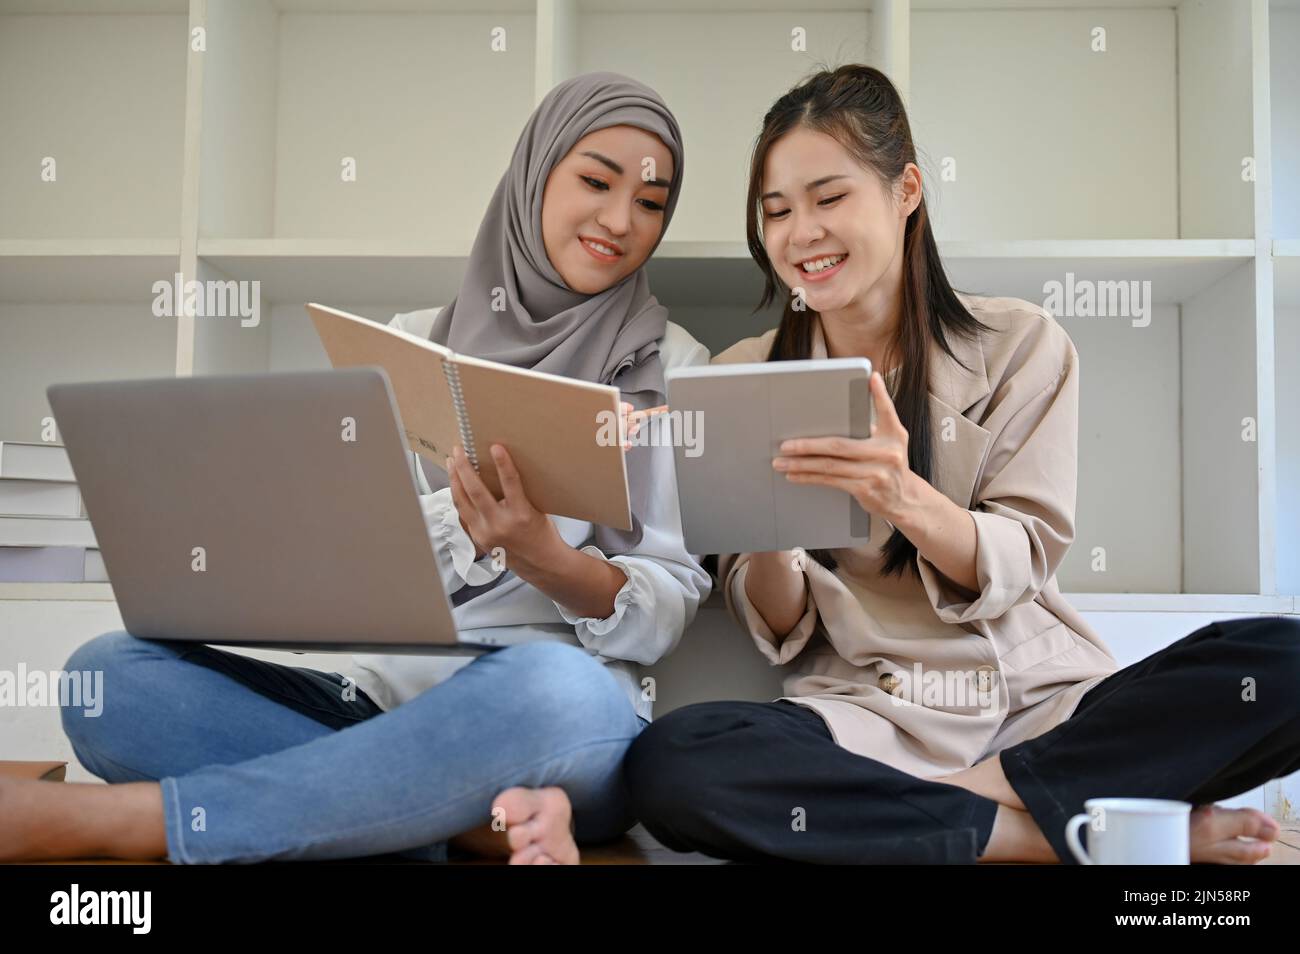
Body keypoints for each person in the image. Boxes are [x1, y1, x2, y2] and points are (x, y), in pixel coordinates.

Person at [0, 72, 710, 865]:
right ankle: (445, 821)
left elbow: (665, 613)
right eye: (595, 181)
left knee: (561, 690)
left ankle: (139, 825)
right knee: (105, 679)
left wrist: (544, 559)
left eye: (651, 203)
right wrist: (464, 530)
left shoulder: (671, 369)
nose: (620, 220)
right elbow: (358, 564)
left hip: (546, 725)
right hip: (367, 700)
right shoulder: (410, 344)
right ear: (535, 175)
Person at [623, 64, 1300, 865]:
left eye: (829, 198)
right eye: (776, 212)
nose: (801, 233)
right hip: (872, 722)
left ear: (906, 189)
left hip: (1043, 710)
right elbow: (772, 619)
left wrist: (903, 496)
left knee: (1282, 663)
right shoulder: (742, 374)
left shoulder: (1021, 343)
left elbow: (1024, 557)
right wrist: (766, 516)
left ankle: (960, 809)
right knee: (675, 764)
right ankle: (1064, 835)